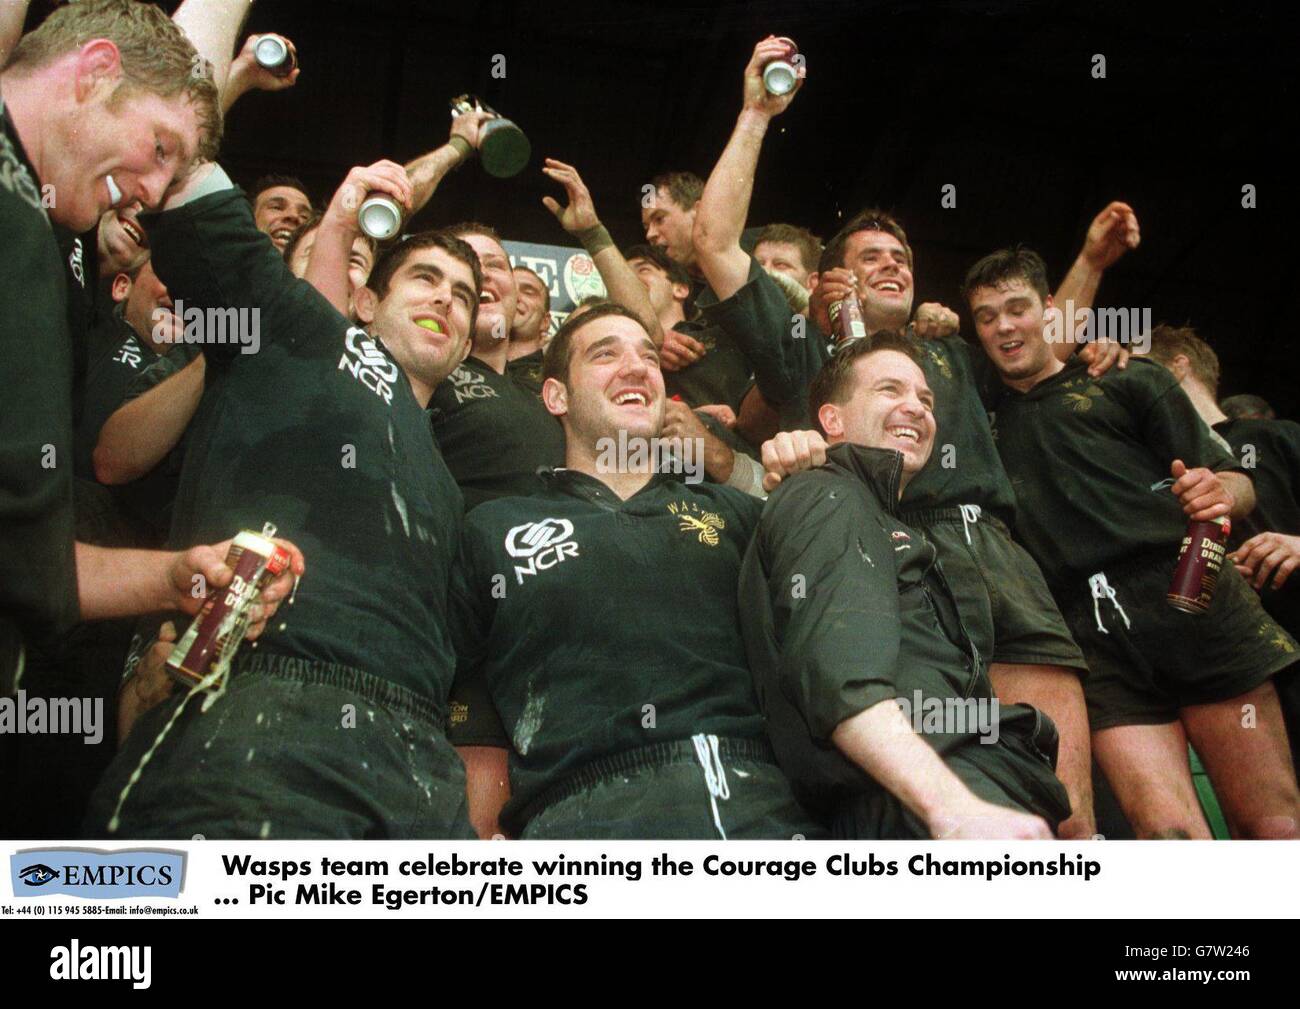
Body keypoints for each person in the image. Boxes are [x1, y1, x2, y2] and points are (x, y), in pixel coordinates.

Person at [85, 156, 479, 839]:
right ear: (365, 301)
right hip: (262, 709)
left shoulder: (446, 486)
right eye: (425, 278)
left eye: (466, 296)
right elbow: (182, 176)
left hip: (422, 765)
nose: (447, 299)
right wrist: (346, 203)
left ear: (468, 344)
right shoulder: (292, 333)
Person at [0, 0, 300, 695]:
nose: (155, 191)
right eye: (160, 152)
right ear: (94, 71)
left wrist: (172, 576)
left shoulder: (61, 238)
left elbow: (30, 564)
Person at [448, 303, 823, 839]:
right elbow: (462, 702)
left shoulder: (737, 515)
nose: (637, 366)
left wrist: (814, 489)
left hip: (756, 805)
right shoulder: (493, 529)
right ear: (556, 396)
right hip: (572, 820)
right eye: (606, 354)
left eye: (649, 356)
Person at [963, 245, 1300, 838]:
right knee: (1166, 836)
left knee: (1272, 825)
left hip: (1190, 593)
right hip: (1087, 630)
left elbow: (1238, 483)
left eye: (1016, 308)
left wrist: (1219, 492)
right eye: (986, 316)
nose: (1003, 326)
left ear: (1050, 310)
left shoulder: (1127, 378)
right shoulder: (980, 413)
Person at [740, 334, 1070, 839]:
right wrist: (951, 808)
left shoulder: (872, 513)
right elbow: (841, 676)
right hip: (922, 801)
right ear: (831, 421)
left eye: (925, 399)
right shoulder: (826, 493)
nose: (914, 407)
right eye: (889, 390)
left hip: (939, 789)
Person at [506, 265, 551, 395]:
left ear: (545, 321)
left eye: (528, 292)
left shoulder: (557, 375)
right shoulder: (461, 362)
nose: (515, 297)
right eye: (508, 290)